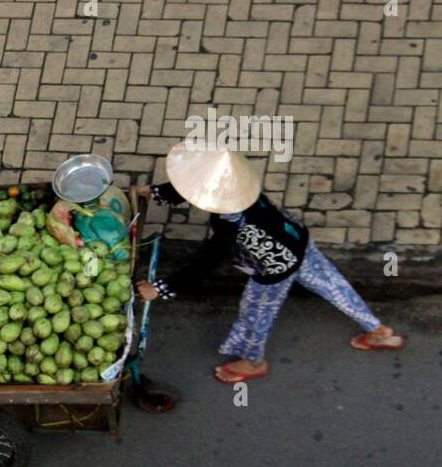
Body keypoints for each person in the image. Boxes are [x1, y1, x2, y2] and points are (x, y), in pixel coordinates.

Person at [133, 143, 403, 383]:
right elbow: (198, 187)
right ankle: (378, 330)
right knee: (333, 286)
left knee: (256, 314)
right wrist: (153, 192)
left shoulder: (230, 224)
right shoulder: (241, 190)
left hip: (273, 268)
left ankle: (253, 362)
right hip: (296, 240)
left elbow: (205, 263)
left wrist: (160, 288)